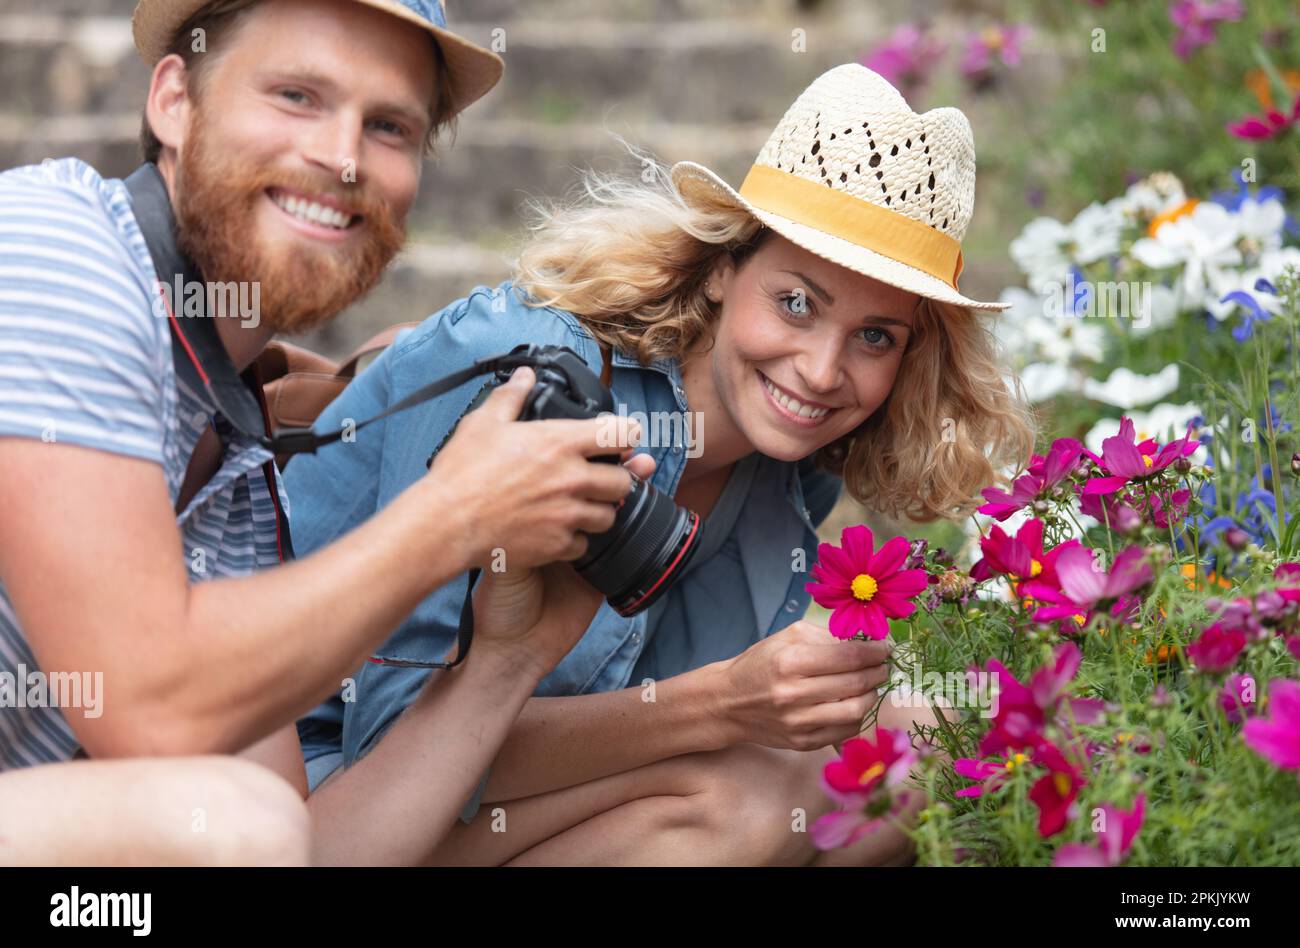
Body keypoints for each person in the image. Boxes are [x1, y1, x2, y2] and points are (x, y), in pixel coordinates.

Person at [278, 63, 1036, 865]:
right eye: (797, 303)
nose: (820, 371)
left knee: (923, 750)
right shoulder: (526, 375)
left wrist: (748, 712)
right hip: (326, 796)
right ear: (722, 270)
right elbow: (403, 743)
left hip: (502, 795)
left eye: (874, 337)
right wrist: (720, 706)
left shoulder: (794, 463)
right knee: (737, 808)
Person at [0, 0, 652, 865]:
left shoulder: (234, 449)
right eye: (296, 95)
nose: (342, 159)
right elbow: (147, 701)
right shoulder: (54, 249)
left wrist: (507, 657)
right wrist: (456, 510)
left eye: (388, 127)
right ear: (173, 102)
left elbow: (311, 848)